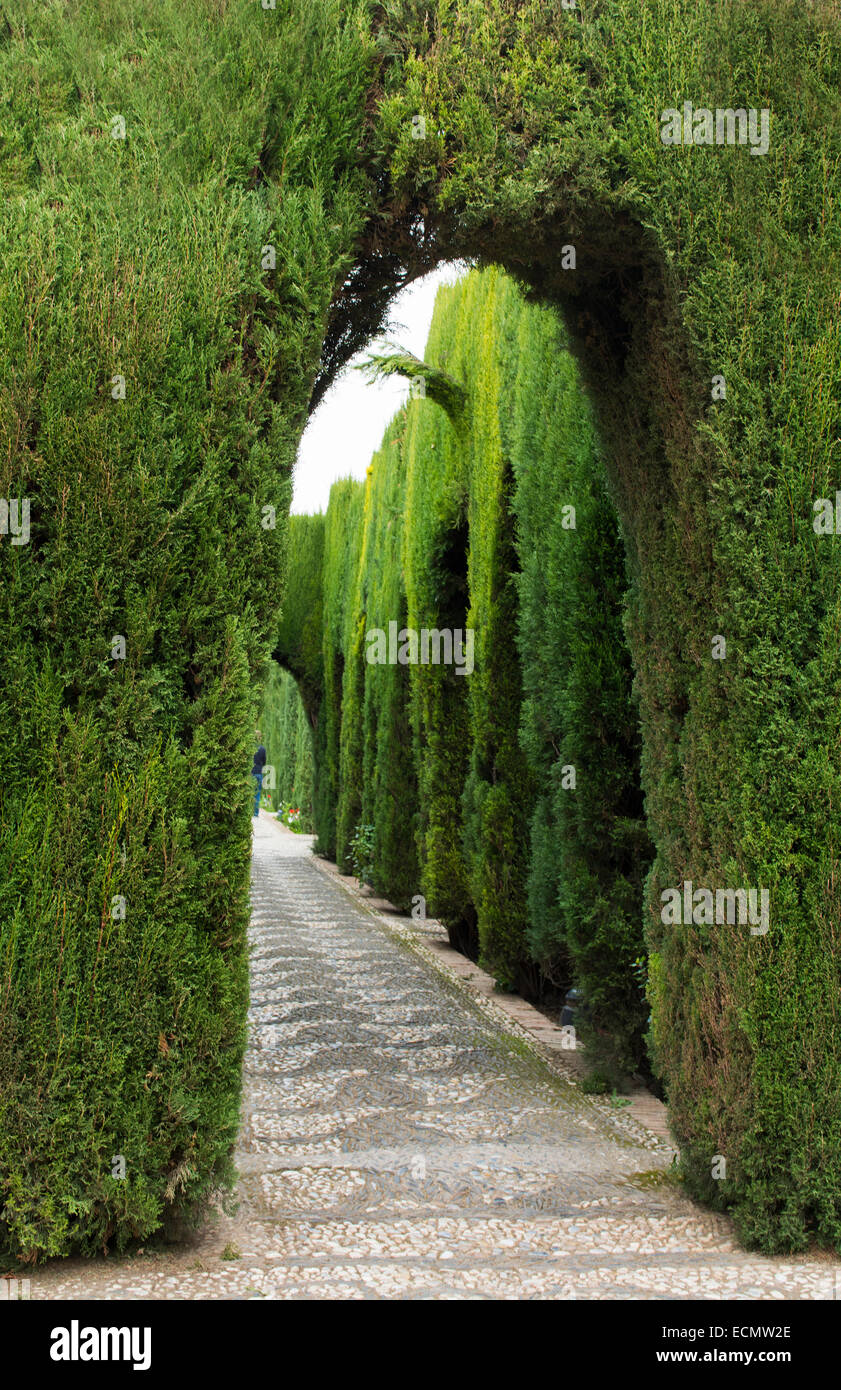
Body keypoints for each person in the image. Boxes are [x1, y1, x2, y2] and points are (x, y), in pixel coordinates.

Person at [251, 732, 267, 817]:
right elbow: (264, 762)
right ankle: (256, 813)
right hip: (259, 773)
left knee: (250, 793)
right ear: (260, 738)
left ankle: (249, 812)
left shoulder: (250, 748)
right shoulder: (262, 749)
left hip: (251, 773)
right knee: (257, 793)